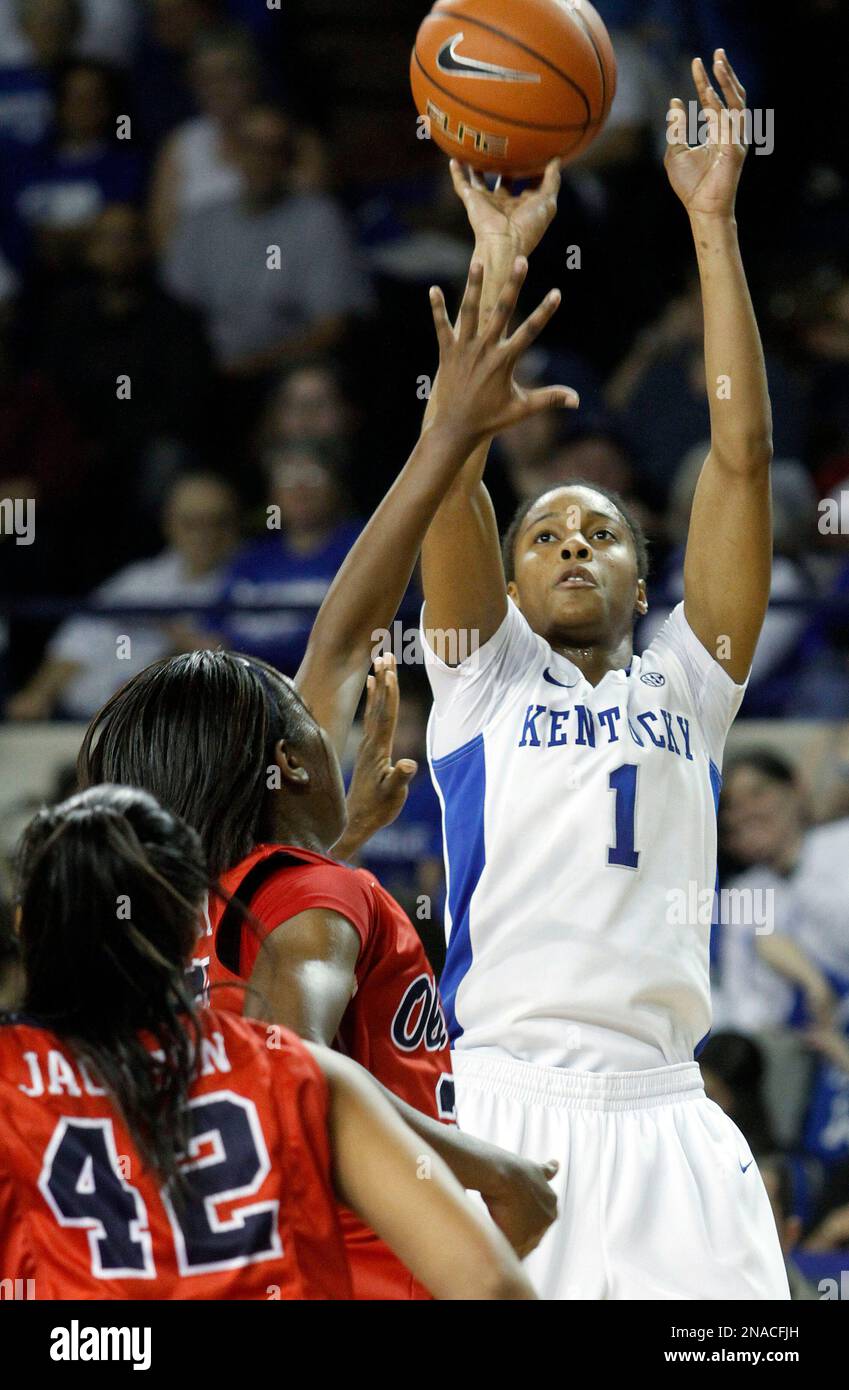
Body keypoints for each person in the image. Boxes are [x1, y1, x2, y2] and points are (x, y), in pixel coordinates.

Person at [78, 255, 574, 1298]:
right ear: (288, 762)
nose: (329, 700)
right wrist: (492, 1174)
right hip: (362, 1270)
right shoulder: (308, 898)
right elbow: (286, 1070)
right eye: (305, 712)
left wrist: (448, 431)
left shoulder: (213, 902)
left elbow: (345, 639)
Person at [417, 53, 789, 1298]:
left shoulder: (692, 680)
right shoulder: (478, 682)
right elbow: (448, 465)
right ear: (512, 585)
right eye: (546, 533)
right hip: (504, 1110)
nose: (574, 541)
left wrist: (713, 222)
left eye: (606, 532)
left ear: (646, 580)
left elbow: (738, 461)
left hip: (670, 1111)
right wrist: (496, 260)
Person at [0, 784, 535, 1300]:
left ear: (24, 926)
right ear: (194, 921)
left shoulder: (10, 1081)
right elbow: (491, 1285)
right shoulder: (298, 1070)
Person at [6, 472, 240, 721]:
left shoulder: (248, 582)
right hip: (79, 721)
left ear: (236, 523)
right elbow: (76, 644)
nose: (204, 534)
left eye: (217, 522)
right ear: (168, 523)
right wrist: (39, 694)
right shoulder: (138, 580)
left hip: (170, 727)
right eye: (191, 523)